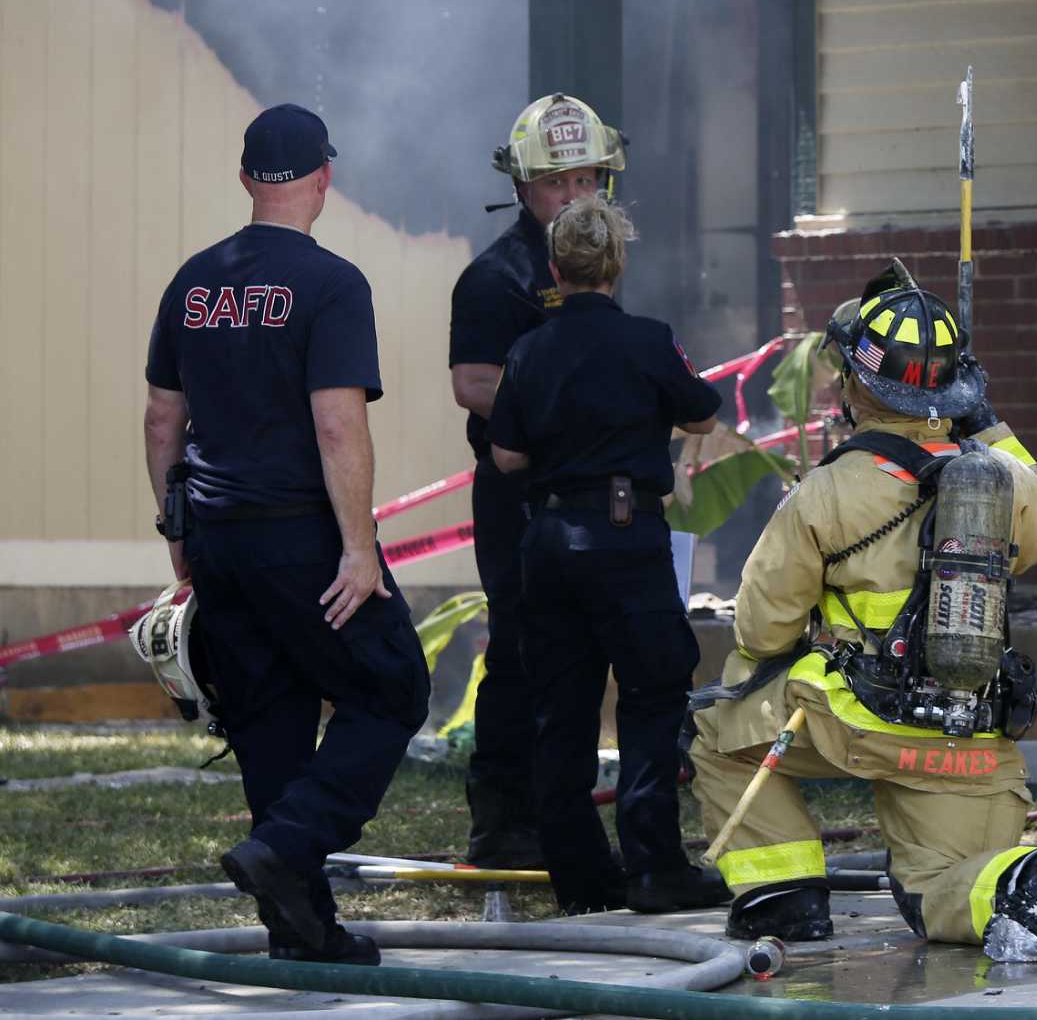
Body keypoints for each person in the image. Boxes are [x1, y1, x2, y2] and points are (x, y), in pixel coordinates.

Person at [690, 274, 1037, 947]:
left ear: (859, 385)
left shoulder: (827, 491)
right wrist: (988, 423)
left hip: (859, 720)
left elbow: (760, 629)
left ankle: (782, 896)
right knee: (940, 884)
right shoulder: (1000, 480)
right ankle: (1015, 880)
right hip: (972, 732)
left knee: (713, 729)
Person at [143, 103, 429, 966]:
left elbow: (163, 417)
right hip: (304, 536)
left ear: (244, 180)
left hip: (221, 538)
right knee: (391, 687)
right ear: (323, 179)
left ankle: (300, 932)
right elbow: (337, 426)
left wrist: (177, 534)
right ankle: (292, 839)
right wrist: (357, 548)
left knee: (270, 718)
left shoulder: (192, 281)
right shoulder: (333, 283)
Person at [486, 196, 729, 914]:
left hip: (552, 541)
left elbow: (504, 453)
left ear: (556, 268)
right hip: (627, 539)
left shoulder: (529, 349)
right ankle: (654, 867)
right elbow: (705, 411)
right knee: (652, 695)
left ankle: (581, 876)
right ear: (616, 266)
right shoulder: (650, 341)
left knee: (562, 708)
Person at [447, 93, 625, 868]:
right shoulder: (496, 277)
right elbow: (473, 381)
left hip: (586, 493)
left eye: (587, 180)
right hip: (519, 496)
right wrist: (566, 408)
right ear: (522, 186)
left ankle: (560, 809)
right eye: (558, 183)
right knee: (519, 648)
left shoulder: (598, 263)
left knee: (582, 652)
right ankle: (501, 817)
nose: (574, 197)